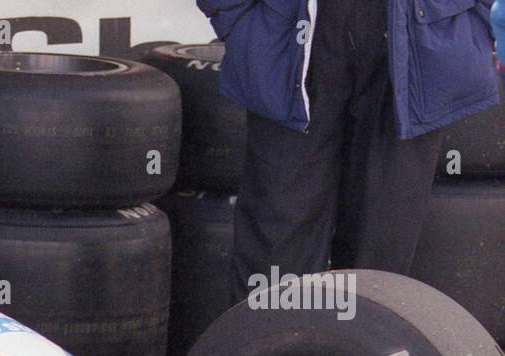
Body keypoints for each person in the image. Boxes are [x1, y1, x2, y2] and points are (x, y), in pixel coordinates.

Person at [197, 0, 500, 302]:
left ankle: (360, 348)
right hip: (290, 37)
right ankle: (268, 349)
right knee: (275, 257)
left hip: (416, 43)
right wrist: (234, 21)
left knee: (379, 262)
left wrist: (475, 19)